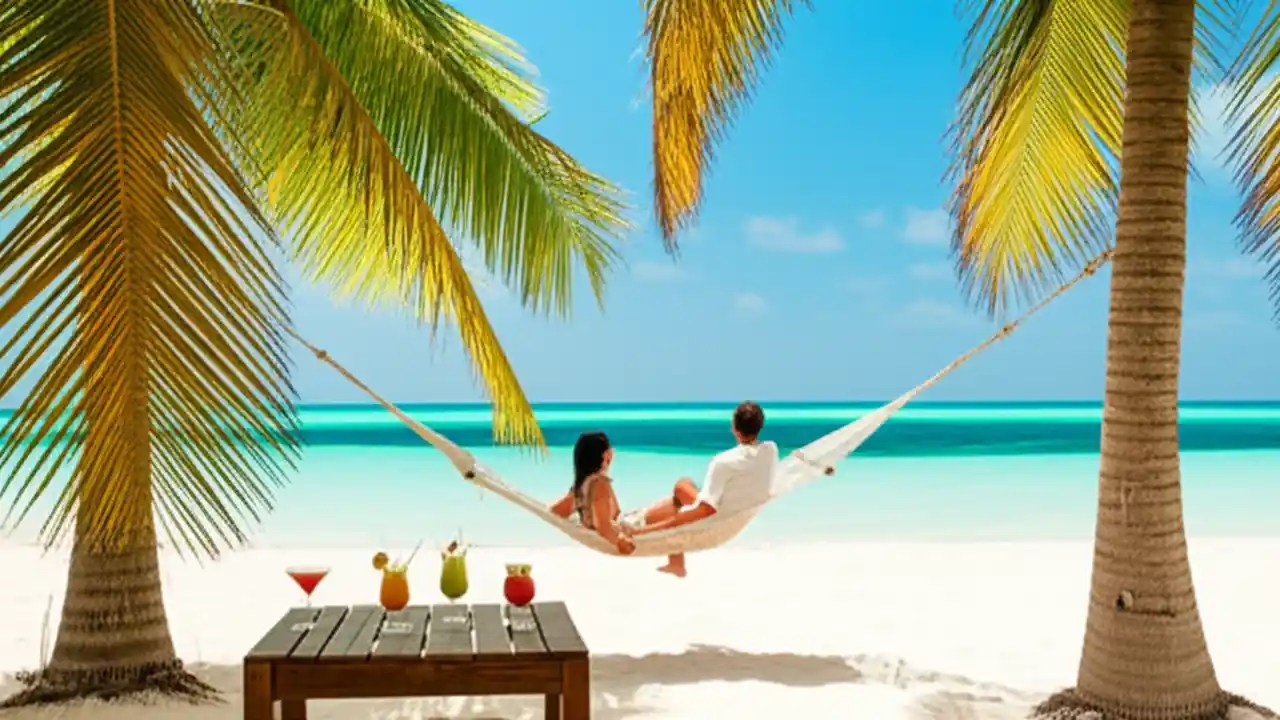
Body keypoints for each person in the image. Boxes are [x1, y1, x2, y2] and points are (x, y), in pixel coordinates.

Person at [633, 401, 778, 577]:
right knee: (684, 488)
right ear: (760, 426)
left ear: (734, 428)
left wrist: (658, 527)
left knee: (673, 495)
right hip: (735, 512)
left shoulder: (723, 462)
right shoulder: (771, 450)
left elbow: (706, 509)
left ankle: (675, 560)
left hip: (715, 519)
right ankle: (675, 563)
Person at [549, 431, 700, 557]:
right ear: (604, 455)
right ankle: (705, 504)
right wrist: (620, 540)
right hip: (633, 527)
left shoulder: (578, 488)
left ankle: (702, 504)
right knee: (681, 491)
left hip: (628, 522)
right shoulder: (600, 483)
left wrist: (581, 523)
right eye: (609, 449)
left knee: (680, 498)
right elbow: (603, 525)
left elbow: (554, 511)